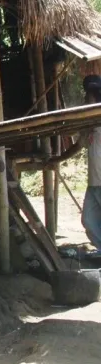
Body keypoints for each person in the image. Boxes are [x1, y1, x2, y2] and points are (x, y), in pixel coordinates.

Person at [81, 75, 101, 250]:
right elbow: (78, 145)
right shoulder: (88, 123)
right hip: (94, 181)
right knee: (88, 219)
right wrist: (57, 160)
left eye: (90, 95)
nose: (86, 98)